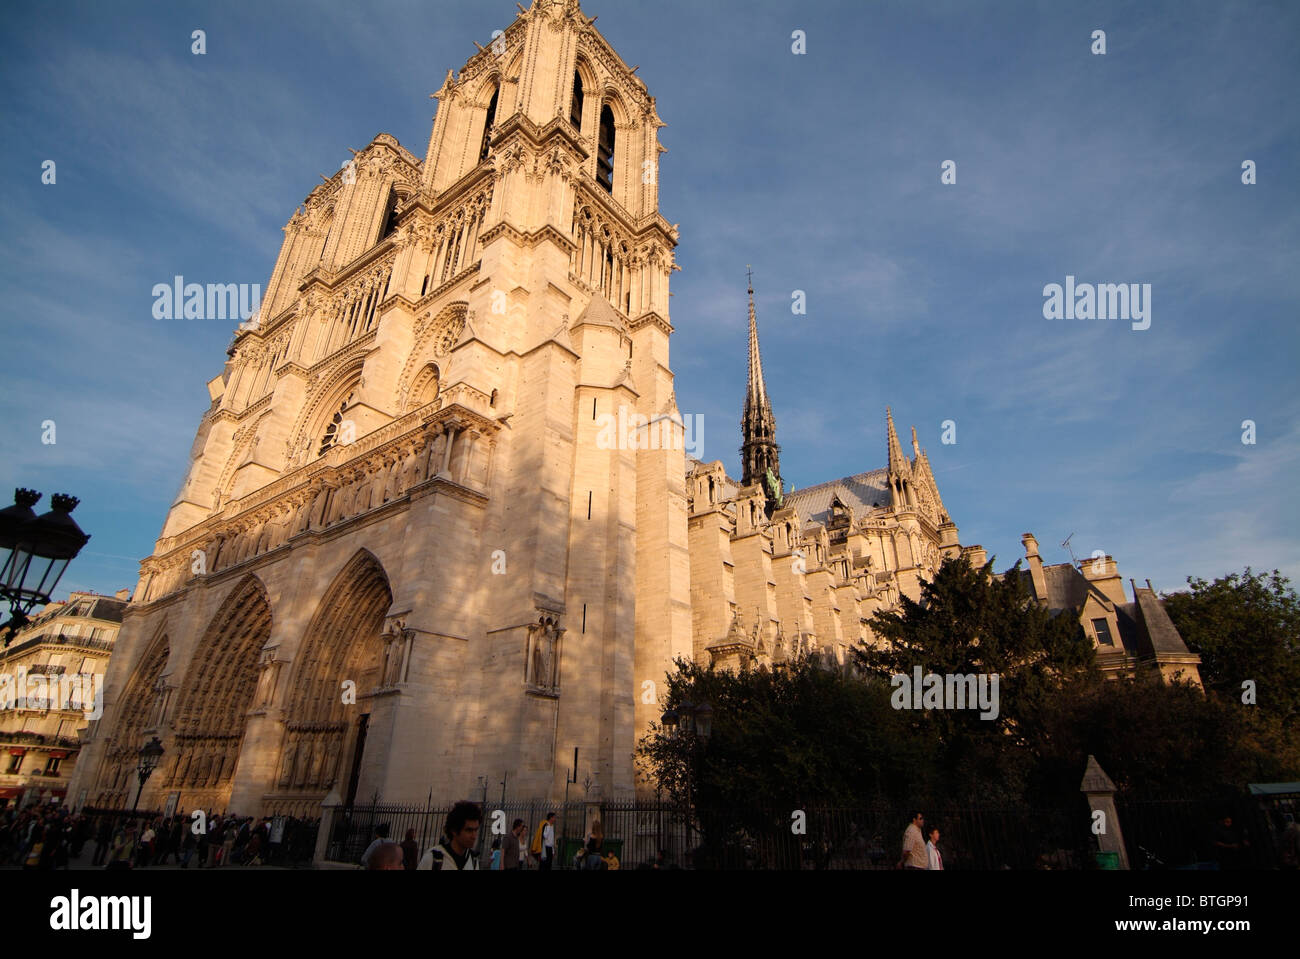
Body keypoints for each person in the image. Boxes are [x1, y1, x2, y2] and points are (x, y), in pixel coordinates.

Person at [417, 801, 482, 870]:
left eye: (476, 830)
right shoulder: (434, 858)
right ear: (454, 831)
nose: (474, 836)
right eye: (469, 830)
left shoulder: (473, 860)